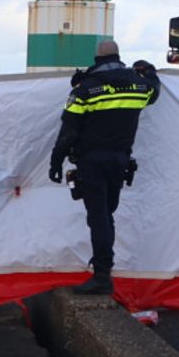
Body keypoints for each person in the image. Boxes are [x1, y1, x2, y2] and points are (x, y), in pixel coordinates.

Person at [48, 39, 160, 295]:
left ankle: (102, 275)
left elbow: (68, 131)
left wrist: (56, 161)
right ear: (119, 56)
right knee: (107, 216)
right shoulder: (139, 85)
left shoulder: (86, 88)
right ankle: (103, 270)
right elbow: (154, 91)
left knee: (98, 218)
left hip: (91, 162)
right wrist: (149, 70)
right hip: (119, 162)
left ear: (96, 59)